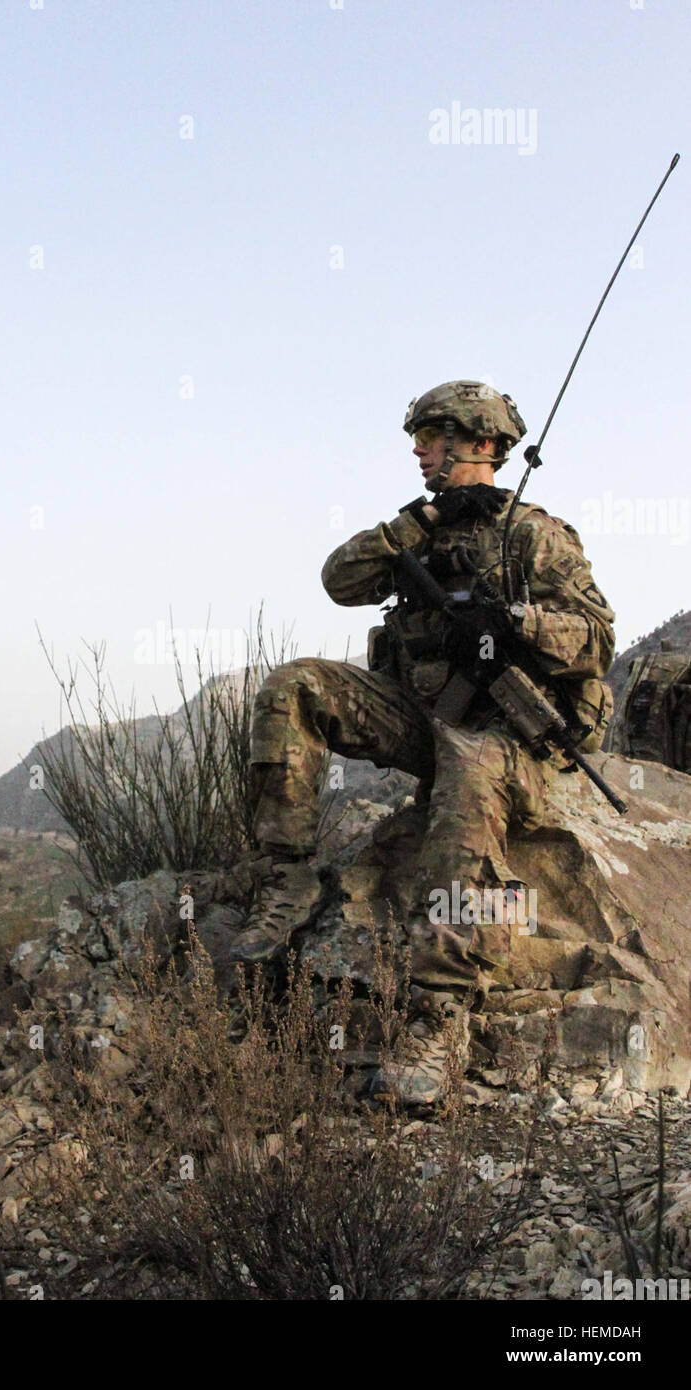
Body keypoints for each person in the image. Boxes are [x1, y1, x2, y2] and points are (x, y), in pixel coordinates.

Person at [232, 381, 615, 1092]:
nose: (417, 450)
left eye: (431, 437)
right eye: (418, 438)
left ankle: (437, 1020)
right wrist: (420, 522)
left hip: (507, 733)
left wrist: (514, 623)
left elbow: (595, 638)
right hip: (422, 716)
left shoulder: (532, 533)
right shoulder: (420, 527)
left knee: (467, 774)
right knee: (294, 685)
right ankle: (282, 878)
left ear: (478, 443)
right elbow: (338, 580)